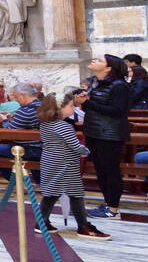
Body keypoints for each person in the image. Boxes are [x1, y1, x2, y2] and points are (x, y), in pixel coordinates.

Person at [35, 92, 109, 239]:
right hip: (65, 164)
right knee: (76, 194)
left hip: (49, 161)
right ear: (59, 108)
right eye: (71, 105)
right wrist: (86, 151)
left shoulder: (45, 124)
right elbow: (76, 146)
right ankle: (83, 226)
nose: (74, 108)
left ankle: (41, 222)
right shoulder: (63, 126)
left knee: (51, 193)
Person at [80, 54, 131, 220]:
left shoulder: (119, 86)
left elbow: (117, 111)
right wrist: (85, 101)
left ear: (109, 68)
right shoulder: (97, 83)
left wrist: (87, 103)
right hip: (94, 131)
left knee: (111, 171)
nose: (94, 60)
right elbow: (96, 109)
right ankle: (108, 204)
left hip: (110, 134)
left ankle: (113, 209)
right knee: (101, 171)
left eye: (100, 60)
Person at [0, 82, 41, 162]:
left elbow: (9, 132)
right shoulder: (41, 107)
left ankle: (11, 174)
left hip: (27, 149)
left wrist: (5, 120)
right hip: (42, 148)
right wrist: (14, 117)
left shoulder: (24, 111)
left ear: (23, 95)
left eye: (16, 97)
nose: (16, 100)